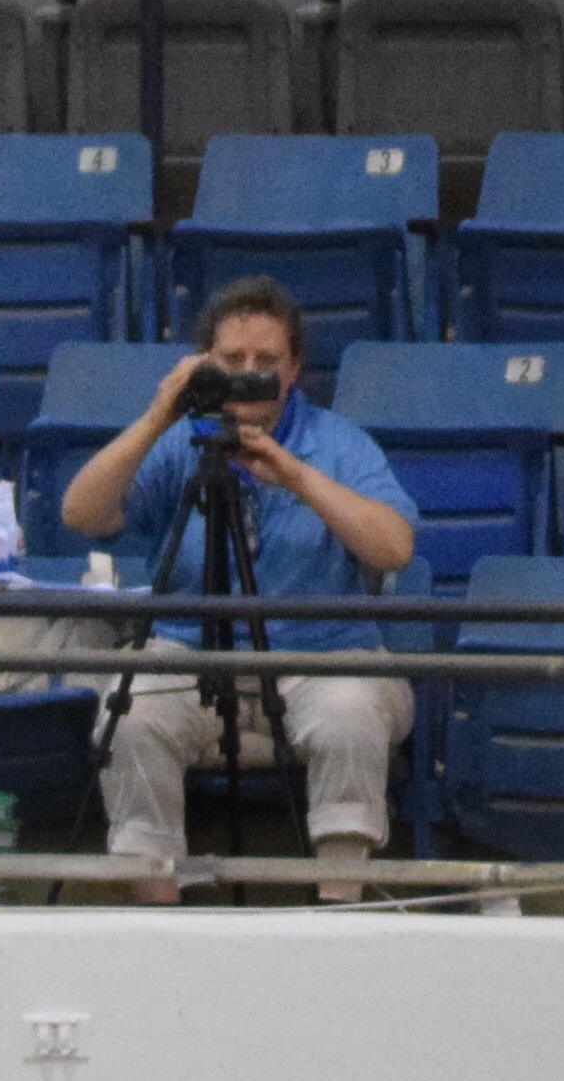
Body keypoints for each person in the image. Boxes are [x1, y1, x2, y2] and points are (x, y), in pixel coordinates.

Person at [56, 277, 420, 901]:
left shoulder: (338, 443)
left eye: (266, 362)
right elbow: (81, 515)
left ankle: (338, 913)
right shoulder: (180, 444)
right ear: (205, 365)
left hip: (322, 654)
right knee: (131, 712)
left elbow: (394, 548)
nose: (249, 375)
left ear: (295, 370)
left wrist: (296, 477)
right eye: (232, 362)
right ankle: (158, 913)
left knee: (351, 716)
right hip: (189, 650)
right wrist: (158, 415)